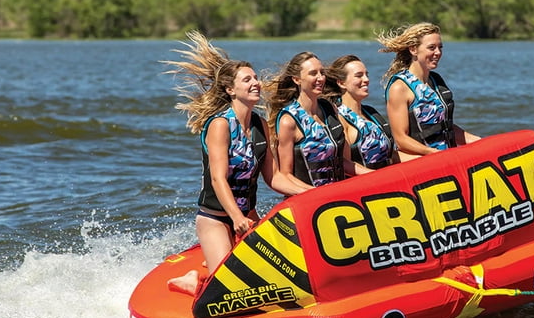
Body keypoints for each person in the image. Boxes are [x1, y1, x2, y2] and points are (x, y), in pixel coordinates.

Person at [163, 32, 306, 296]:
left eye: (255, 78)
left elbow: (274, 178)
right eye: (247, 79)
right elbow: (218, 179)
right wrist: (236, 218)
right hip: (216, 218)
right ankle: (196, 279)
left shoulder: (260, 125)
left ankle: (214, 261)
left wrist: (311, 193)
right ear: (231, 90)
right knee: (232, 290)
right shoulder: (220, 125)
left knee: (275, 277)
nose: (256, 83)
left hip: (247, 217)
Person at [263, 51, 370, 189]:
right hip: (309, 198)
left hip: (339, 194)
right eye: (313, 73)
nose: (320, 78)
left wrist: (376, 175)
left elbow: (343, 162)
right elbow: (286, 175)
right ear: (297, 79)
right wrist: (316, 193)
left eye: (322, 73)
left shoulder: (330, 110)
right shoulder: (288, 121)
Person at [378, 23, 480, 157]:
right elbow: (401, 140)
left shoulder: (436, 81)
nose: (438, 52)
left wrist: (480, 142)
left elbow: (446, 129)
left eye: (440, 47)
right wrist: (434, 154)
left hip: (446, 156)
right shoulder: (400, 88)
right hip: (422, 163)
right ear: (413, 49)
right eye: (432, 48)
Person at [324, 54, 398, 169]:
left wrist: (429, 157)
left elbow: (392, 156)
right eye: (359, 76)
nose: (366, 80)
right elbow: (344, 164)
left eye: (366, 75)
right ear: (341, 83)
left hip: (386, 178)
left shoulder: (371, 113)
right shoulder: (338, 118)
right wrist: (377, 176)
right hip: (365, 182)